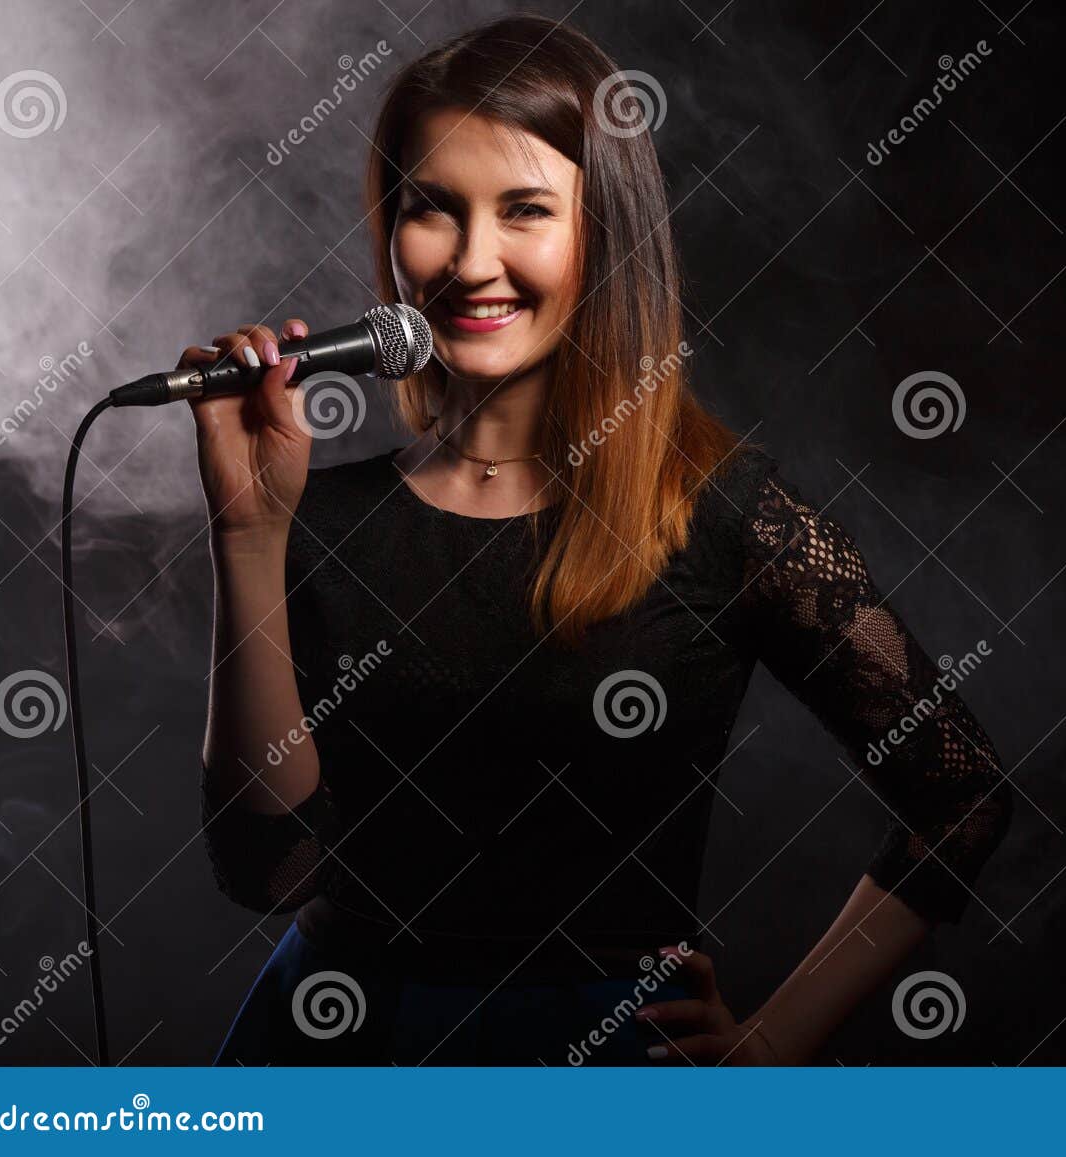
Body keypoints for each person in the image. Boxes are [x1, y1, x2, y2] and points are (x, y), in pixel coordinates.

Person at [189, 13, 1013, 1066]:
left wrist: (769, 1048)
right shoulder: (316, 513)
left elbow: (962, 794)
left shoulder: (724, 515)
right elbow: (266, 872)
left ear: (604, 233)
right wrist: (249, 536)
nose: (472, 261)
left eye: (525, 209)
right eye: (433, 209)